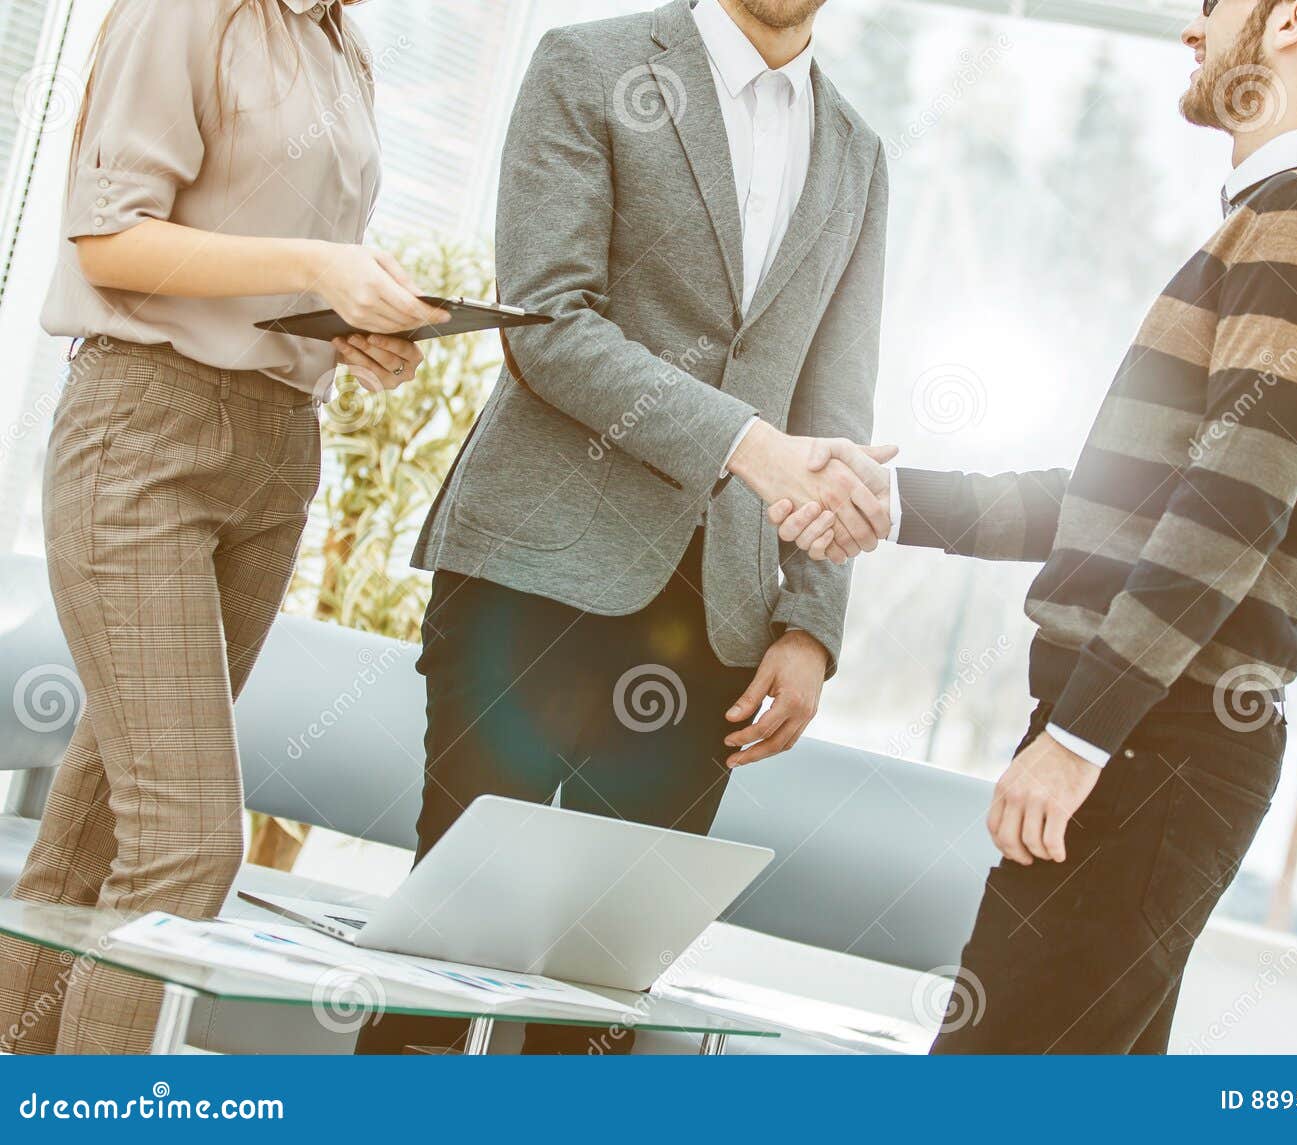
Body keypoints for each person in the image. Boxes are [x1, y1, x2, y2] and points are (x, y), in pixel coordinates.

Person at [768, 0, 1297, 1053]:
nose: (1195, 29)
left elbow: (1226, 515)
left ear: (1295, 19)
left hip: (1153, 746)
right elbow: (1140, 496)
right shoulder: (1295, 219)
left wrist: (1082, 734)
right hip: (1159, 744)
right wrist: (895, 500)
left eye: (1219, 7)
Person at [355, 0, 890, 1055]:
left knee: (598, 1005)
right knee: (442, 969)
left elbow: (837, 413)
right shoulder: (587, 63)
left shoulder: (859, 155)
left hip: (720, 624)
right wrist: (746, 443)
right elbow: (548, 323)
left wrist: (810, 624)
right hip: (532, 572)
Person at [0, 0, 446, 1055]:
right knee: (190, 843)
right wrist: (315, 266)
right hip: (146, 436)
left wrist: (350, 325)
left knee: (100, 826)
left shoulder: (342, 45)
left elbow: (275, 261)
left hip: (276, 446)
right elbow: (111, 239)